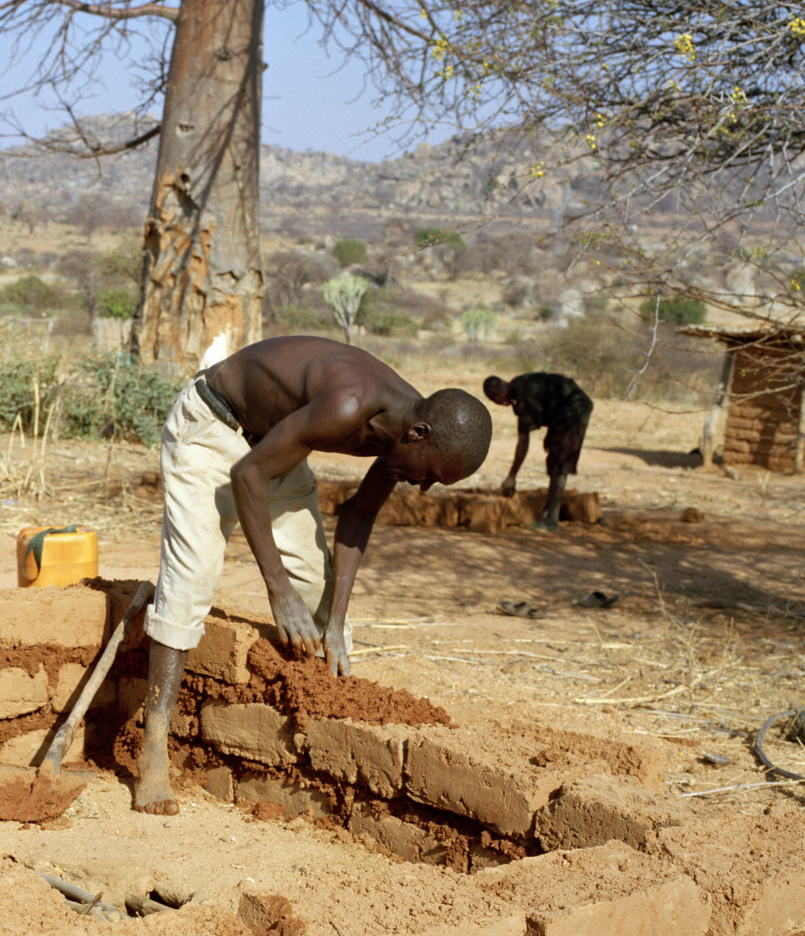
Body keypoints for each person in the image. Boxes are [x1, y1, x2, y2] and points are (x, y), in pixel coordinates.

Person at [134, 334, 493, 815]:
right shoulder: (350, 406)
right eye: (429, 474)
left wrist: (336, 622)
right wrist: (278, 590)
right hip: (212, 426)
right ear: (419, 434)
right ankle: (154, 748)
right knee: (191, 579)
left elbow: (358, 515)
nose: (423, 487)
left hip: (273, 446)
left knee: (319, 596)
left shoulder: (405, 429)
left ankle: (311, 734)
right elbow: (246, 477)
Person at [482, 372, 594, 533]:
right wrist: (551, 434)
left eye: (498, 395)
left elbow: (523, 443)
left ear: (504, 384)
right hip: (565, 411)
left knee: (559, 462)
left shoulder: (522, 394)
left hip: (574, 409)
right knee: (554, 456)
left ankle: (551, 520)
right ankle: (548, 512)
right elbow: (549, 401)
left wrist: (512, 476)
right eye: (494, 400)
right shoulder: (519, 387)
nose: (499, 401)